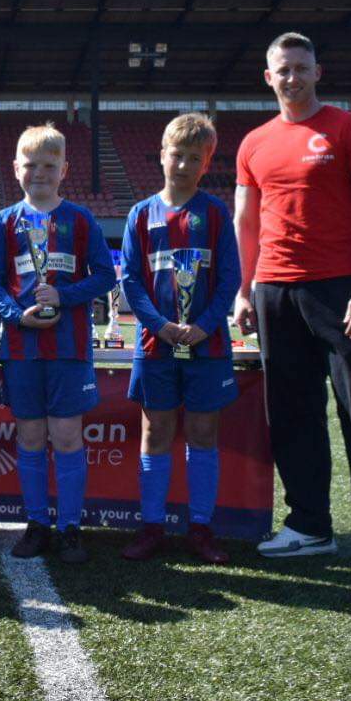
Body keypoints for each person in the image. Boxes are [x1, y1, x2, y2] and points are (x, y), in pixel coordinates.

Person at [233, 32, 351, 572]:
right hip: (274, 290)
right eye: (282, 69)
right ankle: (309, 525)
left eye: (301, 67)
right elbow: (245, 221)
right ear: (268, 77)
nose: (292, 77)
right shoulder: (253, 142)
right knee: (292, 415)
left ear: (317, 72)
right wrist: (243, 289)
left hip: (339, 288)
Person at [0, 123, 116, 563]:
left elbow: (104, 275)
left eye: (49, 165)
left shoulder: (80, 219)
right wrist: (15, 315)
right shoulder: (5, 221)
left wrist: (64, 295)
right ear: (15, 167)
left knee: (67, 435)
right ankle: (37, 522)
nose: (39, 172)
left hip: (69, 349)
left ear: (64, 170)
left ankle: (70, 526)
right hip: (21, 349)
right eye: (31, 164)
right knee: (31, 435)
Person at [117, 113, 240, 564]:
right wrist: (159, 325)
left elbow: (229, 277)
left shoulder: (214, 212)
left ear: (206, 163)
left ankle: (201, 529)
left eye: (195, 157)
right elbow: (131, 280)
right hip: (156, 344)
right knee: (156, 432)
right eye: (177, 155)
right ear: (161, 155)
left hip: (207, 344)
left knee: (204, 431)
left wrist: (205, 324)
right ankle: (152, 527)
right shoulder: (141, 214)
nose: (184, 164)